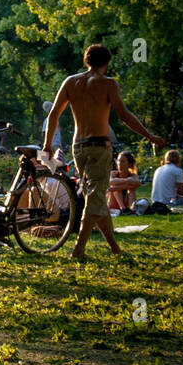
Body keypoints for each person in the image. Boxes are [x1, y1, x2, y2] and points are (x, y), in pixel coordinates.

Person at [44, 43, 164, 260]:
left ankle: (114, 248)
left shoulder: (71, 81)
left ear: (86, 60)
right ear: (106, 63)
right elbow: (125, 116)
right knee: (95, 196)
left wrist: (47, 145)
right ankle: (79, 250)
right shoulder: (108, 84)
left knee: (96, 196)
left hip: (78, 146)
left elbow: (54, 115)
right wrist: (150, 136)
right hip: (99, 146)